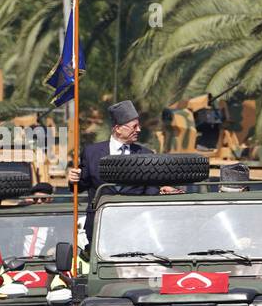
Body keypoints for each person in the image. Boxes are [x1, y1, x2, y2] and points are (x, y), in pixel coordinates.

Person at [67, 101, 179, 242]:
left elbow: (151, 191)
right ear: (118, 129)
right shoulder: (91, 153)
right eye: (134, 126)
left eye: (138, 126)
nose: (138, 130)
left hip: (135, 229)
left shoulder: (146, 155)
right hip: (100, 227)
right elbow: (81, 185)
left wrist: (162, 191)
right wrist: (73, 179)